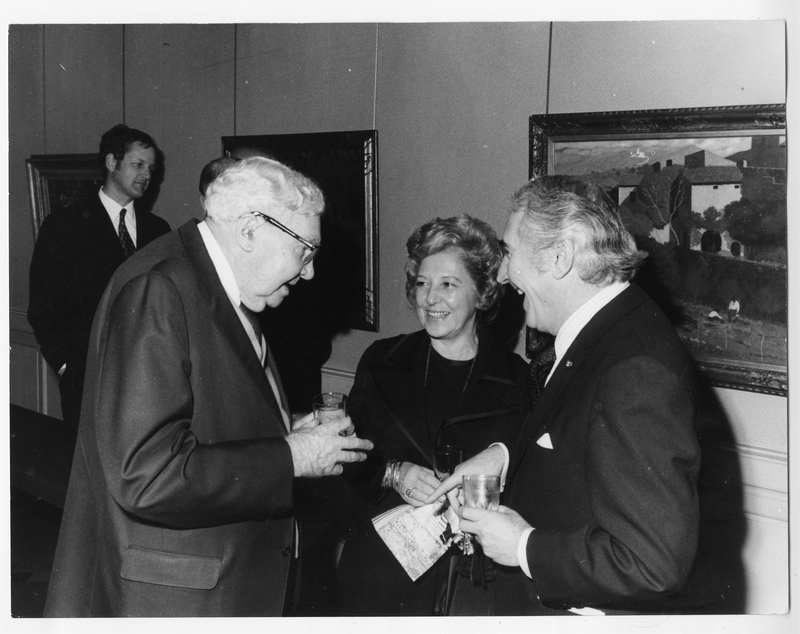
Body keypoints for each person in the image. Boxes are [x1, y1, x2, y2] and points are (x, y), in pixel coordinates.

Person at [43, 156, 374, 617]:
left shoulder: (211, 282)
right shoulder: (159, 288)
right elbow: (147, 474)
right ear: (250, 231)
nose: (310, 272)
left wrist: (288, 428)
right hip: (177, 601)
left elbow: (204, 416)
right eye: (306, 251)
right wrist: (291, 455)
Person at [429, 176, 701, 615]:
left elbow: (652, 563)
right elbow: (577, 431)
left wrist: (523, 546)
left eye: (509, 254)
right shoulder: (611, 328)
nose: (501, 274)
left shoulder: (634, 368)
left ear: (559, 258)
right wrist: (503, 456)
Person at [336, 215, 529, 616]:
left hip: (476, 579)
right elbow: (345, 458)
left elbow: (530, 473)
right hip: (381, 574)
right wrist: (392, 473)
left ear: (482, 293)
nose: (430, 298)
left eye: (448, 284)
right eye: (422, 283)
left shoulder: (516, 378)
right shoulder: (382, 361)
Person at [28, 124, 171, 426]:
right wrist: (67, 367)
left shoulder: (159, 230)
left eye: (151, 167)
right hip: (88, 380)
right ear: (111, 163)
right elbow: (43, 309)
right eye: (138, 164)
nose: (147, 174)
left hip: (149, 383)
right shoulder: (64, 226)